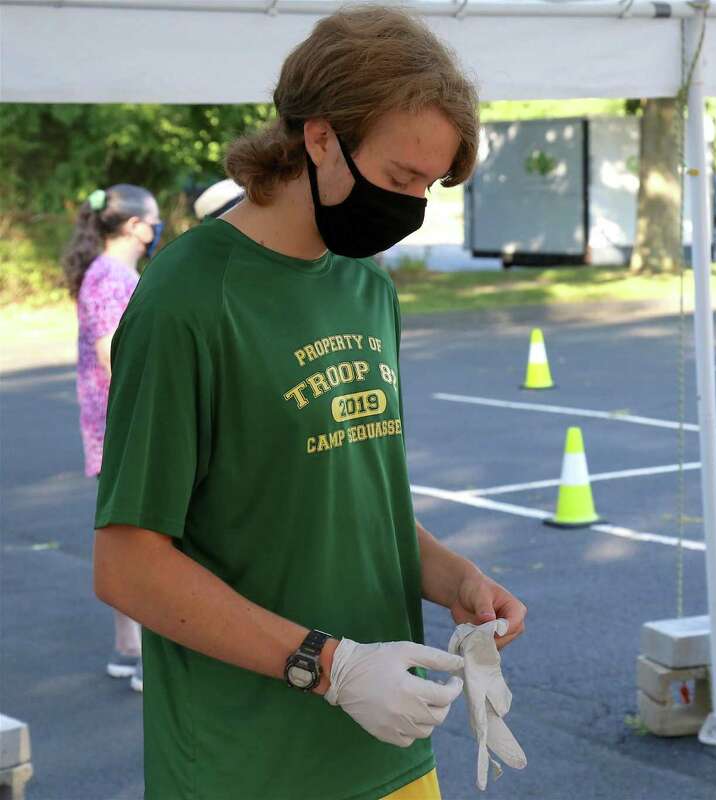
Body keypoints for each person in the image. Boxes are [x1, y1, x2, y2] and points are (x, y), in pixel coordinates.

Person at [91, 7, 525, 800]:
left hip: (390, 755)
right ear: (320, 137)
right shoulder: (186, 300)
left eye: (429, 186)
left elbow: (348, 500)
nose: (412, 206)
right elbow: (128, 566)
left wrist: (454, 577)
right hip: (246, 769)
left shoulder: (367, 287)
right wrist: (331, 666)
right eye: (401, 177)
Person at [61, 183, 161, 692]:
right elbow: (112, 354)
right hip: (125, 429)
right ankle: (146, 657)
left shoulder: (112, 274)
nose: (158, 230)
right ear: (135, 226)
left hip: (118, 427)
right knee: (146, 542)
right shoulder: (108, 276)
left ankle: (128, 649)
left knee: (129, 537)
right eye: (155, 221)